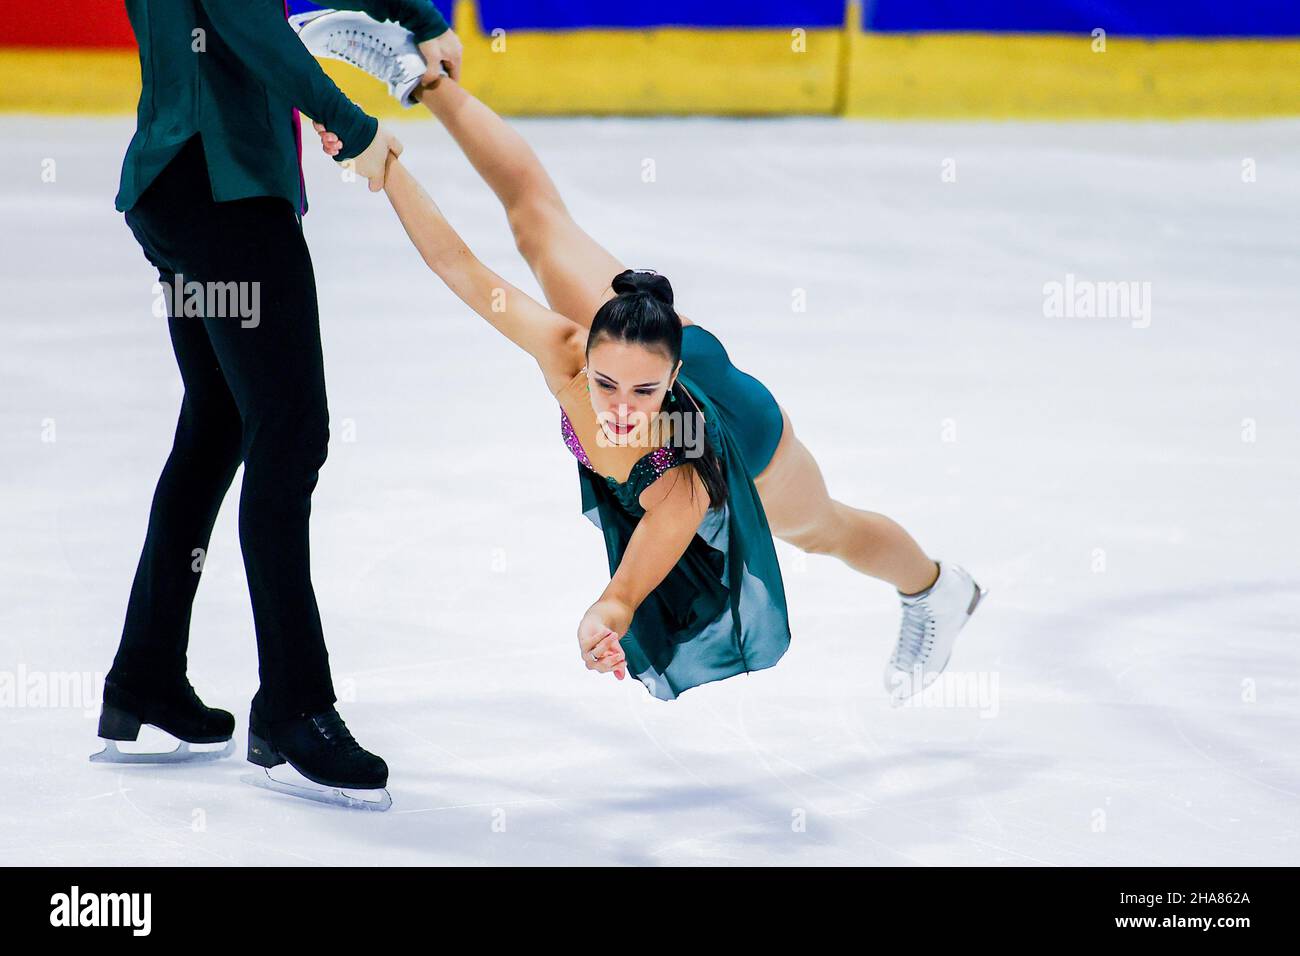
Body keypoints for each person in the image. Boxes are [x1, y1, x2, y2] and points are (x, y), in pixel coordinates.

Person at [300, 11, 987, 705]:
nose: (621, 411)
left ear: (672, 375)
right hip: (647, 338)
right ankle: (420, 78)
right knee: (537, 221)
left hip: (745, 436)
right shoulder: (567, 353)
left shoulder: (682, 480)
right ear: (586, 351)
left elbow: (623, 597)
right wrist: (378, 156)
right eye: (606, 386)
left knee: (824, 530)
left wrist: (602, 616)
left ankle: (936, 586)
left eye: (642, 392)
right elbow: (460, 267)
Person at [93, 0, 460, 810]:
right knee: (289, 432)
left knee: (221, 420)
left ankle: (146, 680)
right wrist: (352, 124)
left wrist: (411, 14)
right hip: (223, 190)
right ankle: (294, 707)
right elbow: (247, 27)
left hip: (182, 184)